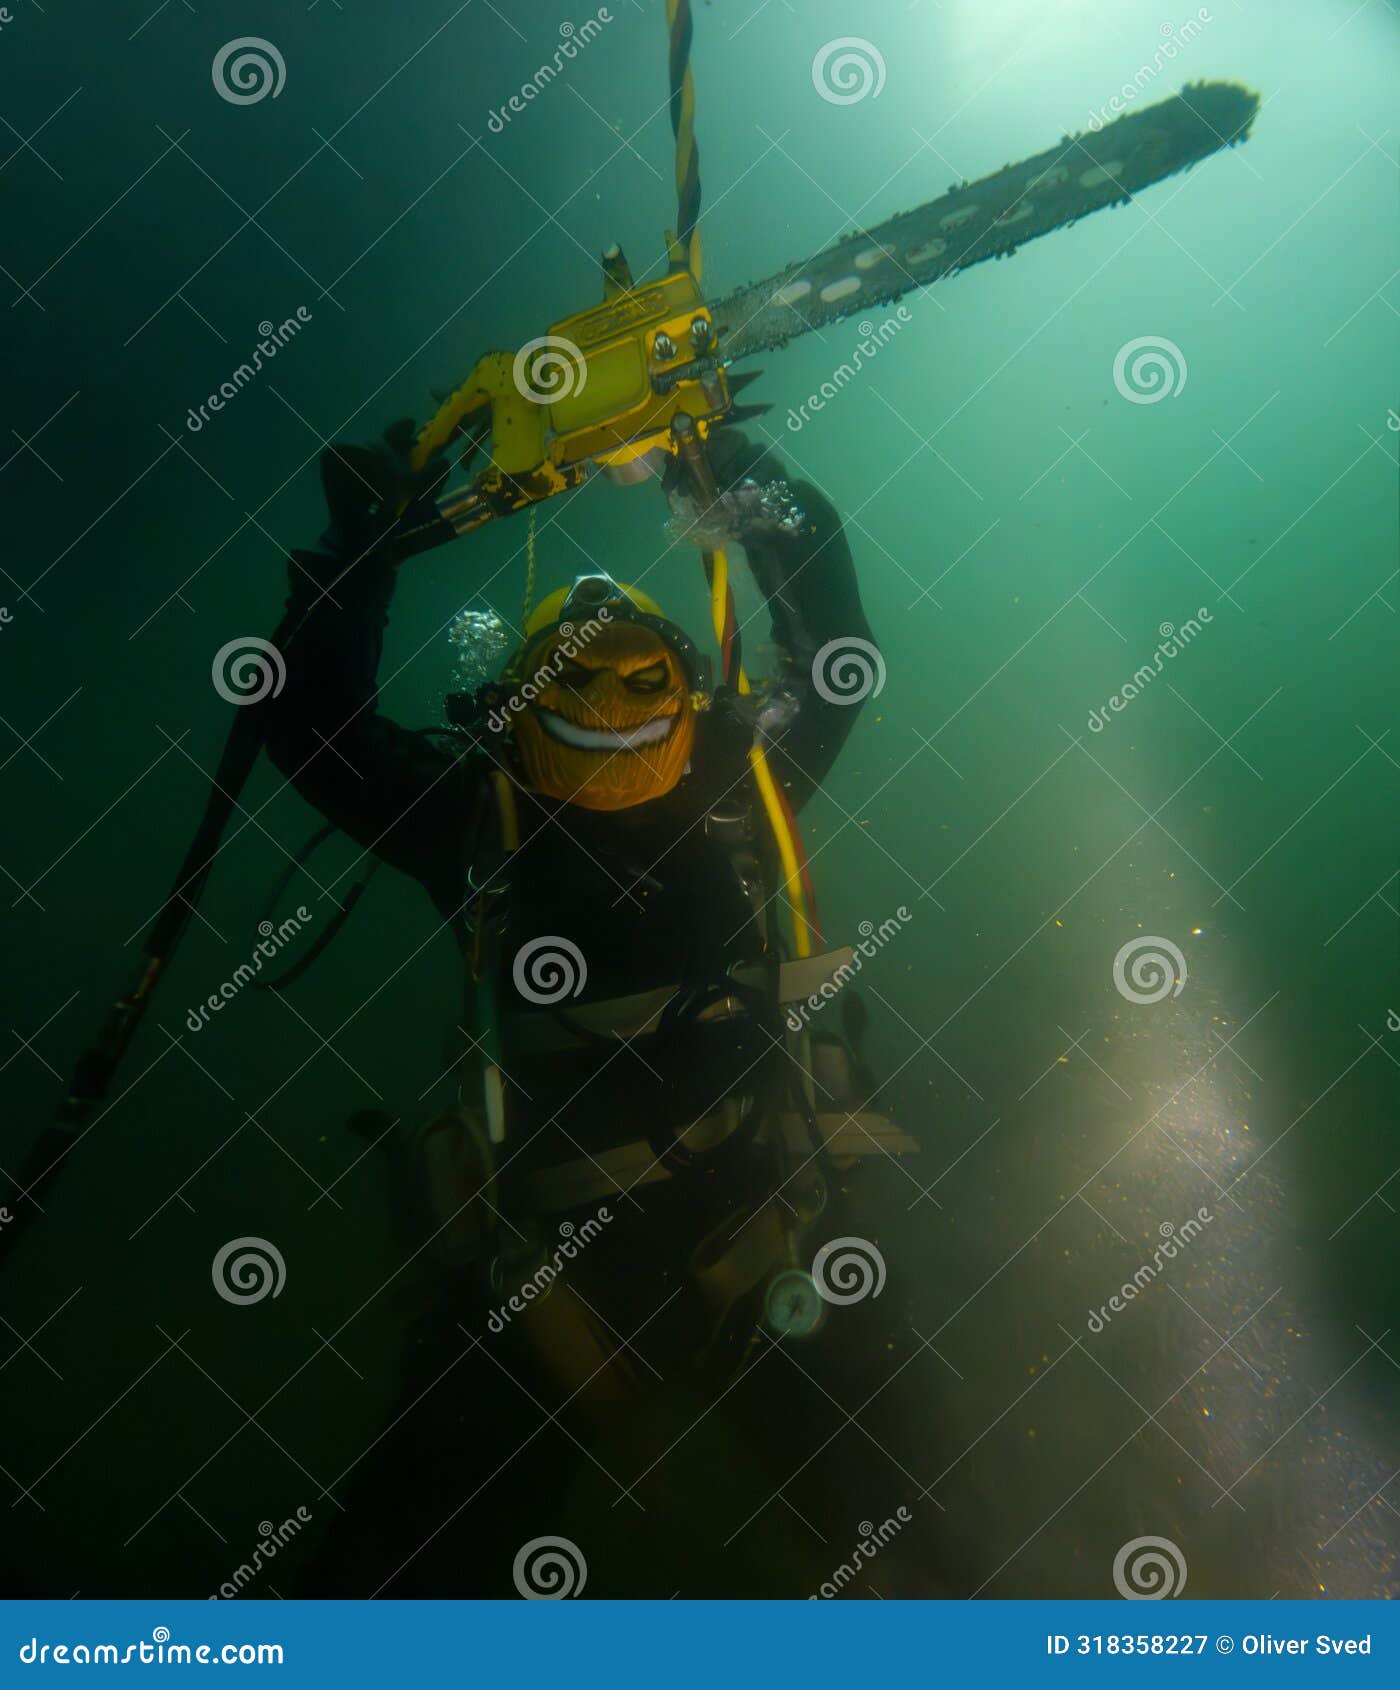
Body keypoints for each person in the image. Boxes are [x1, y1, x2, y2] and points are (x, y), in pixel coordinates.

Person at [265, 421, 915, 1596]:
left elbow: (837, 655)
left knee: (915, 1552)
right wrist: (357, 546)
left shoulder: (702, 785)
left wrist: (716, 458)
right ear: (514, 706)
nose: (609, 697)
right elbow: (307, 724)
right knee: (378, 1591)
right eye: (577, 677)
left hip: (736, 1249)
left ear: (684, 684)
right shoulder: (493, 813)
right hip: (566, 1284)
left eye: (633, 672)